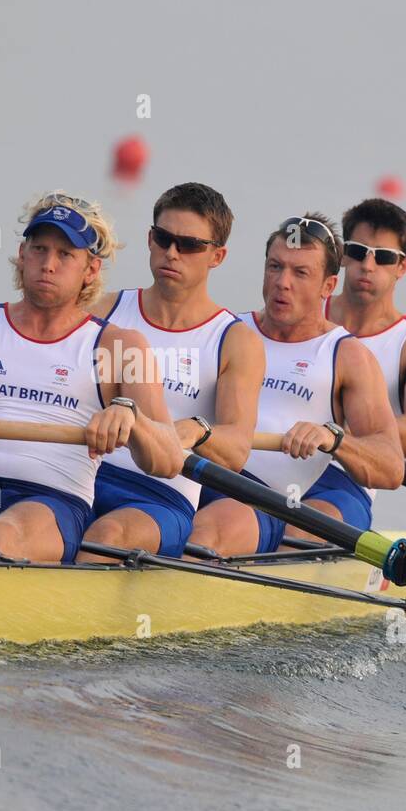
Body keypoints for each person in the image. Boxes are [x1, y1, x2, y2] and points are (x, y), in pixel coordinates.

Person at [0, 192, 183, 563]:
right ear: (22, 253)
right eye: (40, 249)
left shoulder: (121, 346)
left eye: (65, 255)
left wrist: (131, 417)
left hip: (52, 500)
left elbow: (170, 458)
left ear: (90, 270)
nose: (48, 264)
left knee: (2, 538)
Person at [189, 213, 404, 556]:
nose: (282, 282)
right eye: (275, 267)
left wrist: (332, 438)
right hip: (210, 479)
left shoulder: (348, 357)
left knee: (238, 533)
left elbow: (391, 468)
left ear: (328, 286)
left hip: (278, 501)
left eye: (300, 273)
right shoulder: (227, 333)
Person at [78, 183, 264, 560]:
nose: (172, 253)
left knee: (108, 534)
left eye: (190, 245)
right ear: (150, 239)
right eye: (163, 239)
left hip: (161, 494)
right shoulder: (100, 310)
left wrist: (195, 430)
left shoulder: (234, 340)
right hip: (78, 477)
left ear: (218, 256)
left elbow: (237, 451)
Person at [297, 199, 406, 540]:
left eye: (383, 257)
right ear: (343, 255)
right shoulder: (298, 309)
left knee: (298, 530)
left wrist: (336, 425)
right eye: (358, 251)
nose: (368, 264)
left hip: (344, 476)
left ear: (403, 266)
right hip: (274, 454)